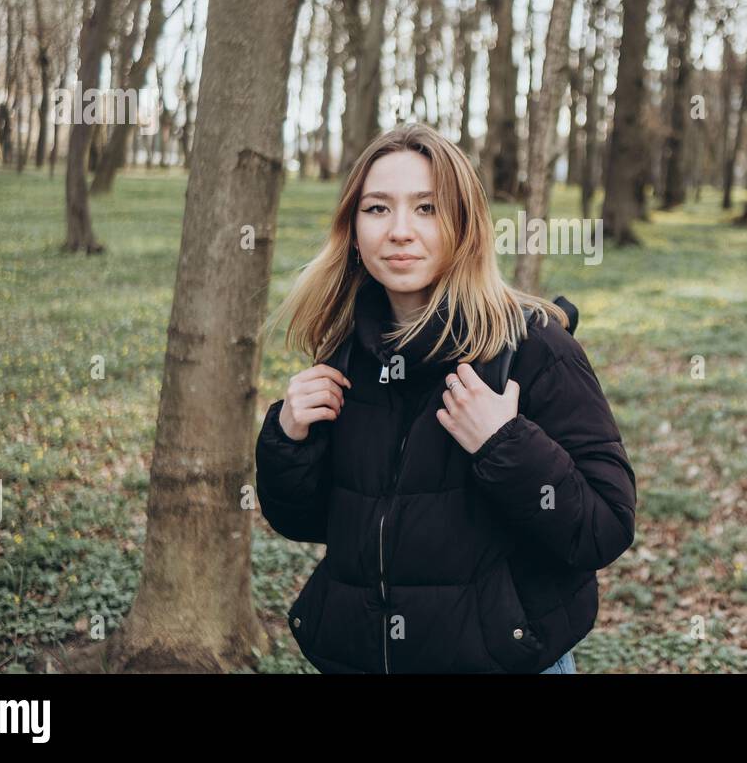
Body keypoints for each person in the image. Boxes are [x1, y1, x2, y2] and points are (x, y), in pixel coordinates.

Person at [256, 124, 637, 673]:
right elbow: (314, 522)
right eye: (378, 209)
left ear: (465, 225)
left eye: (428, 208)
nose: (400, 231)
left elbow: (605, 527)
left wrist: (505, 445)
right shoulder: (346, 354)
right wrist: (289, 439)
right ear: (353, 230)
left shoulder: (534, 350)